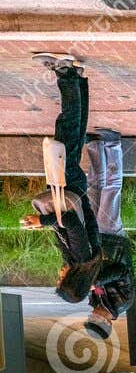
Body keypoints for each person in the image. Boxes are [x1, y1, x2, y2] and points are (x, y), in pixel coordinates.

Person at [20, 53, 103, 304]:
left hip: (74, 189)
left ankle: (76, 79)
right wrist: (41, 221)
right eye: (60, 280)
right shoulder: (81, 256)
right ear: (72, 279)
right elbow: (70, 221)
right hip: (69, 188)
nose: (58, 275)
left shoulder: (85, 259)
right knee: (67, 129)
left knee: (74, 134)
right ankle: (65, 71)